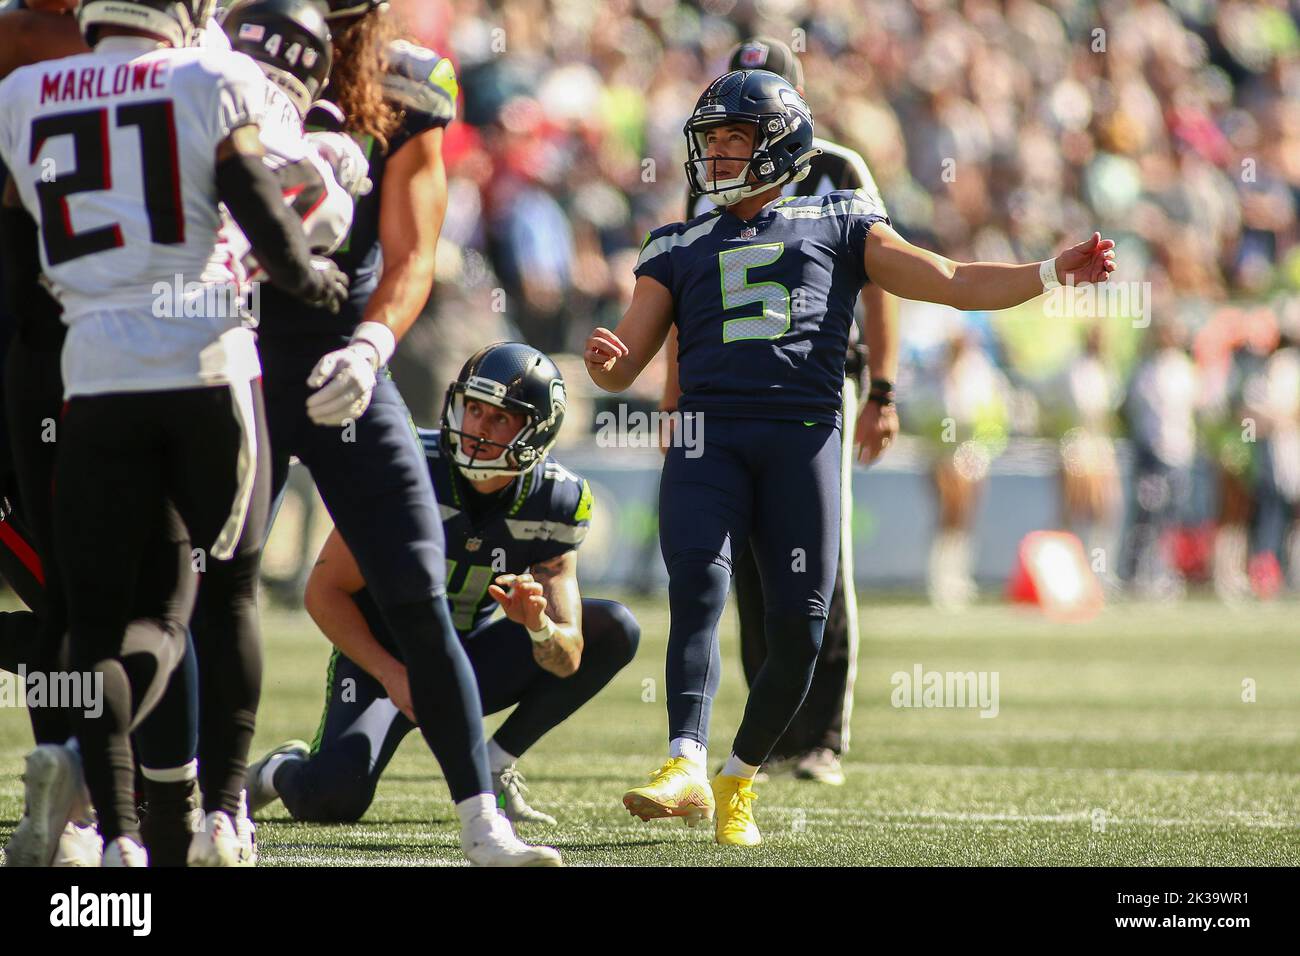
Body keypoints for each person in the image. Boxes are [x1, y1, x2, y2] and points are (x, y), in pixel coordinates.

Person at [585, 68, 1115, 846]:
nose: (719, 155)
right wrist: (604, 362)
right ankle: (684, 763)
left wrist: (1046, 273)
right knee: (699, 585)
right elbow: (625, 360)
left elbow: (953, 281)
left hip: (803, 434)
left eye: (736, 138)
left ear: (779, 144)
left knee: (800, 629)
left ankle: (738, 775)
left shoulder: (840, 220)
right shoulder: (676, 241)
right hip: (708, 436)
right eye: (712, 140)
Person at [196, 0, 561, 865]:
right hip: (229, 346)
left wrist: (371, 345)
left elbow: (411, 251)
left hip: (340, 357)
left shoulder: (405, 85)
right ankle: (214, 803)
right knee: (216, 580)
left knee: (418, 584)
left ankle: (481, 822)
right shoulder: (230, 47)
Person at [0, 0, 349, 865]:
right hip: (205, 370)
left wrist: (82, 312)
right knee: (223, 595)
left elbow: (16, 251)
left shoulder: (27, 91)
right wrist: (312, 280)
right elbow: (256, 201)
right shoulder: (211, 74)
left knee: (99, 622)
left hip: (95, 383)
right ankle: (224, 816)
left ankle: (111, 831)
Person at [246, 343, 639, 828]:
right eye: (474, 409)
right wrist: (392, 675)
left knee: (616, 628)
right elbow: (323, 592)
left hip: (467, 654)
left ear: (537, 432)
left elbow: (569, 655)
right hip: (384, 656)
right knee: (332, 799)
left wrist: (537, 625)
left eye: (501, 418)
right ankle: (280, 768)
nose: (478, 429)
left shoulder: (556, 499)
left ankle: (495, 765)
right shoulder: (409, 466)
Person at [667, 36, 898, 785]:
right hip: (728, 388)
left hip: (820, 381)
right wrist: (676, 397)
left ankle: (821, 734)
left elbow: (884, 279)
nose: (732, 128)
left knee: (821, 565)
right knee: (741, 567)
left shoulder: (837, 168)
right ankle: (759, 738)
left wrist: (884, 389)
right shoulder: (712, 167)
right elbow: (684, 289)